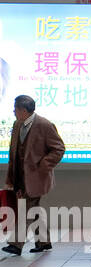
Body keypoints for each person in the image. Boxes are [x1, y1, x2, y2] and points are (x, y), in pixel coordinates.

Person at [4, 94, 65, 255]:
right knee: (33, 209)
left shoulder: (44, 125)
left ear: (23, 110)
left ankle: (16, 245)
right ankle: (44, 242)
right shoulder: (17, 124)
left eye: (15, 109)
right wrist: (11, 176)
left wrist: (44, 166)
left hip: (37, 177)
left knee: (27, 209)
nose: (13, 112)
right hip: (20, 176)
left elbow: (59, 148)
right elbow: (14, 152)